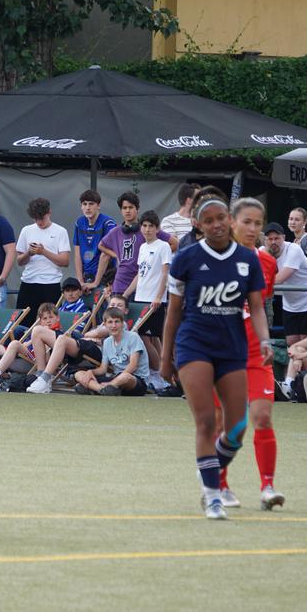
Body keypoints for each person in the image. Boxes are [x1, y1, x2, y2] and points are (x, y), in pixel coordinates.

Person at [160, 192, 272, 520]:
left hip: (233, 348)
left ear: (229, 219)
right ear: (197, 224)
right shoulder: (186, 258)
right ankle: (212, 496)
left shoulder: (248, 259)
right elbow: (173, 313)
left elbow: (257, 307)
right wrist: (166, 359)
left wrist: (265, 340)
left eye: (221, 218)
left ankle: (209, 467)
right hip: (194, 345)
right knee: (207, 422)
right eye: (208, 221)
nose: (216, 225)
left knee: (236, 430)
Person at [220, 197, 284, 512]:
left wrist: (265, 340)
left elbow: (257, 307)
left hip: (256, 353)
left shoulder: (267, 263)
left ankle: (267, 486)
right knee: (228, 423)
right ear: (232, 222)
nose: (252, 229)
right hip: (223, 354)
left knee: (262, 416)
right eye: (246, 222)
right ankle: (219, 485)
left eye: (258, 223)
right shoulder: (212, 258)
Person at [92, 191, 177, 298]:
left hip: (142, 285)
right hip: (120, 284)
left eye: (130, 207)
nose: (127, 211)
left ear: (137, 209)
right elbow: (101, 246)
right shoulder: (115, 231)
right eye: (124, 208)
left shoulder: (147, 229)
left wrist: (156, 256)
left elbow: (175, 243)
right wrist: (117, 255)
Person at [124, 211, 172, 389]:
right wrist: (126, 293)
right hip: (141, 298)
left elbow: (165, 273)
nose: (147, 229)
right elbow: (140, 274)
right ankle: (163, 373)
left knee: (145, 337)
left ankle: (158, 373)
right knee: (151, 338)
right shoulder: (143, 247)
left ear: (157, 228)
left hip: (154, 300)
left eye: (151, 226)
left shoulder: (163, 246)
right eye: (144, 225)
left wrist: (159, 296)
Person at [265, 222, 307, 349]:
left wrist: (256, 284)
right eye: (270, 239)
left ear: (283, 238)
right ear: (265, 240)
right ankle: (298, 368)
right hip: (291, 303)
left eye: (277, 238)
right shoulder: (263, 252)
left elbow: (281, 278)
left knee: (306, 342)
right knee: (291, 342)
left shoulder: (293, 249)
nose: (273, 242)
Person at [0, 303, 62, 392]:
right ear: (40, 321)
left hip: (31, 360)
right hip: (17, 353)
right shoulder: (37, 331)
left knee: (15, 344)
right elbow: (25, 344)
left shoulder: (57, 335)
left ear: (57, 318)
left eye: (51, 317)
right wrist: (30, 341)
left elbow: (47, 360)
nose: (48, 321)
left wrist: (34, 341)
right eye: (45, 318)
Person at [15, 197, 70, 326]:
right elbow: (19, 261)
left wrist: (44, 252)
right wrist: (29, 252)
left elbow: (65, 261)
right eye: (36, 219)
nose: (39, 222)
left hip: (50, 283)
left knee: (52, 324)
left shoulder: (60, 231)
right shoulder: (26, 230)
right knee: (22, 324)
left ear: (49, 213)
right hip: (28, 282)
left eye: (42, 218)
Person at [73, 307, 149, 396]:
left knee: (125, 377)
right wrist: (91, 372)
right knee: (79, 374)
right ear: (105, 324)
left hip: (135, 380)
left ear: (122, 323)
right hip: (116, 379)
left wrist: (112, 382)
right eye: (110, 322)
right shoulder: (107, 342)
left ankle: (95, 388)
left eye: (117, 321)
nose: (113, 326)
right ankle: (102, 389)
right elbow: (103, 369)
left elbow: (133, 366)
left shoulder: (133, 337)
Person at [72, 190, 115, 292]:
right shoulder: (79, 222)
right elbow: (77, 254)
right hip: (86, 276)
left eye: (91, 204)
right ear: (81, 206)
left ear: (98, 206)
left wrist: (96, 282)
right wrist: (80, 281)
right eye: (84, 204)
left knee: (104, 307)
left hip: (105, 277)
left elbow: (106, 255)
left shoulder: (108, 223)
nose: (88, 207)